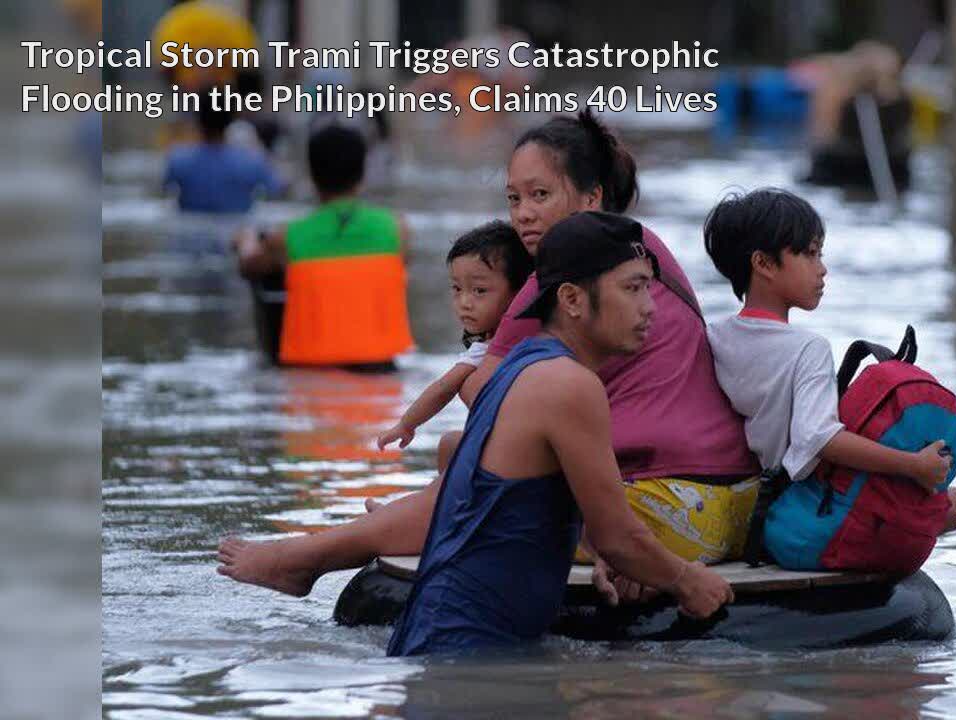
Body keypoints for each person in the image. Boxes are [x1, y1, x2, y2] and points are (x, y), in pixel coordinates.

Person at [213, 111, 757, 602]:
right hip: (727, 497)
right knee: (458, 460)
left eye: (541, 196)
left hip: (679, 503)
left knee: (469, 472)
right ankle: (382, 527)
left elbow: (494, 410)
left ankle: (311, 556)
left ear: (591, 199)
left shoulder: (559, 280)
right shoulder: (646, 246)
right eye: (514, 199)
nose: (523, 216)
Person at [701, 188, 956, 567]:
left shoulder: (714, 336)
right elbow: (819, 438)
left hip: (746, 493)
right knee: (955, 505)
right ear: (764, 264)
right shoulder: (807, 348)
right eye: (809, 254)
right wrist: (913, 466)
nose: (822, 268)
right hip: (797, 505)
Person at [235, 124, 414, 371]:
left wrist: (245, 241)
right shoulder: (396, 230)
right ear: (362, 172)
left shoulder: (288, 237)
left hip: (308, 374)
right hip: (381, 373)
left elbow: (249, 267)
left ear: (311, 174)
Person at [375, 222, 532, 471]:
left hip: (516, 457)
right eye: (457, 289)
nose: (464, 302)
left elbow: (443, 388)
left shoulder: (490, 348)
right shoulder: (520, 337)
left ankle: (440, 506)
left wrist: (406, 425)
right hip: (517, 451)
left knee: (450, 443)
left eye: (479, 291)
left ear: (519, 292)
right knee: (450, 443)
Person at [162, 97, 285, 214]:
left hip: (188, 233)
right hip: (236, 232)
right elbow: (275, 190)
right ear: (231, 120)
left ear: (198, 119)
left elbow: (164, 190)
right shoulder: (252, 162)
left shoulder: (179, 160)